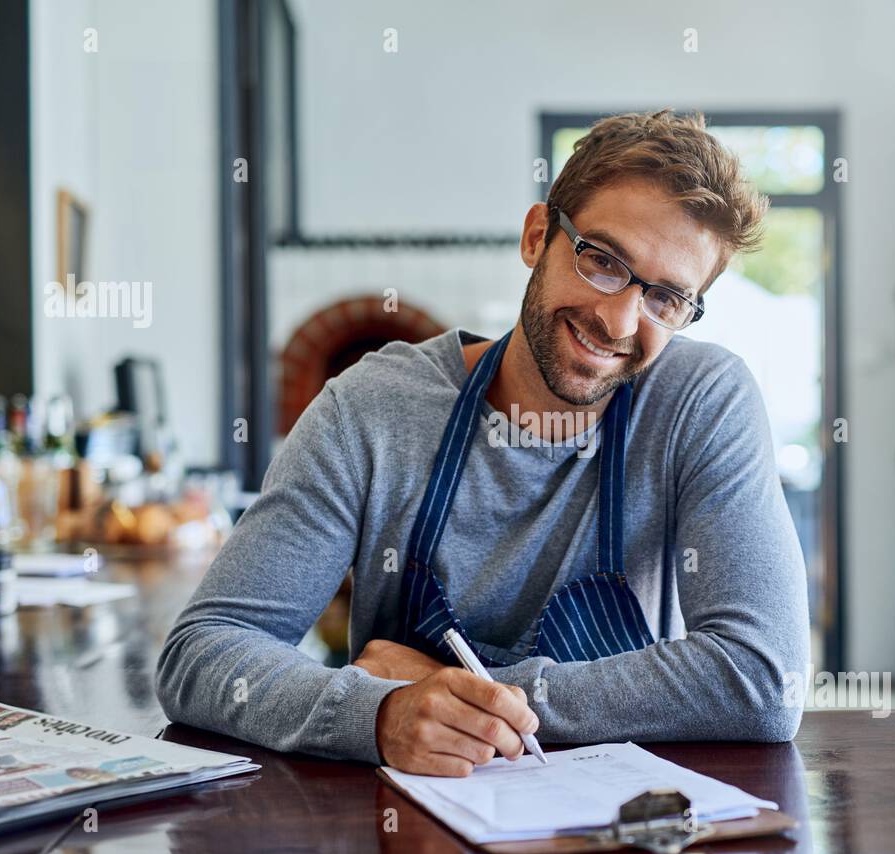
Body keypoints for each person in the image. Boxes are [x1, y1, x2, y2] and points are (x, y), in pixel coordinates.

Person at [156, 108, 810, 776]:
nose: (619, 320)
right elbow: (203, 654)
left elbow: (764, 678)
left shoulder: (700, 401)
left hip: (625, 826)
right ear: (537, 238)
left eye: (666, 297)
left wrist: (462, 693)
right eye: (603, 261)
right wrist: (382, 715)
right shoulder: (371, 409)